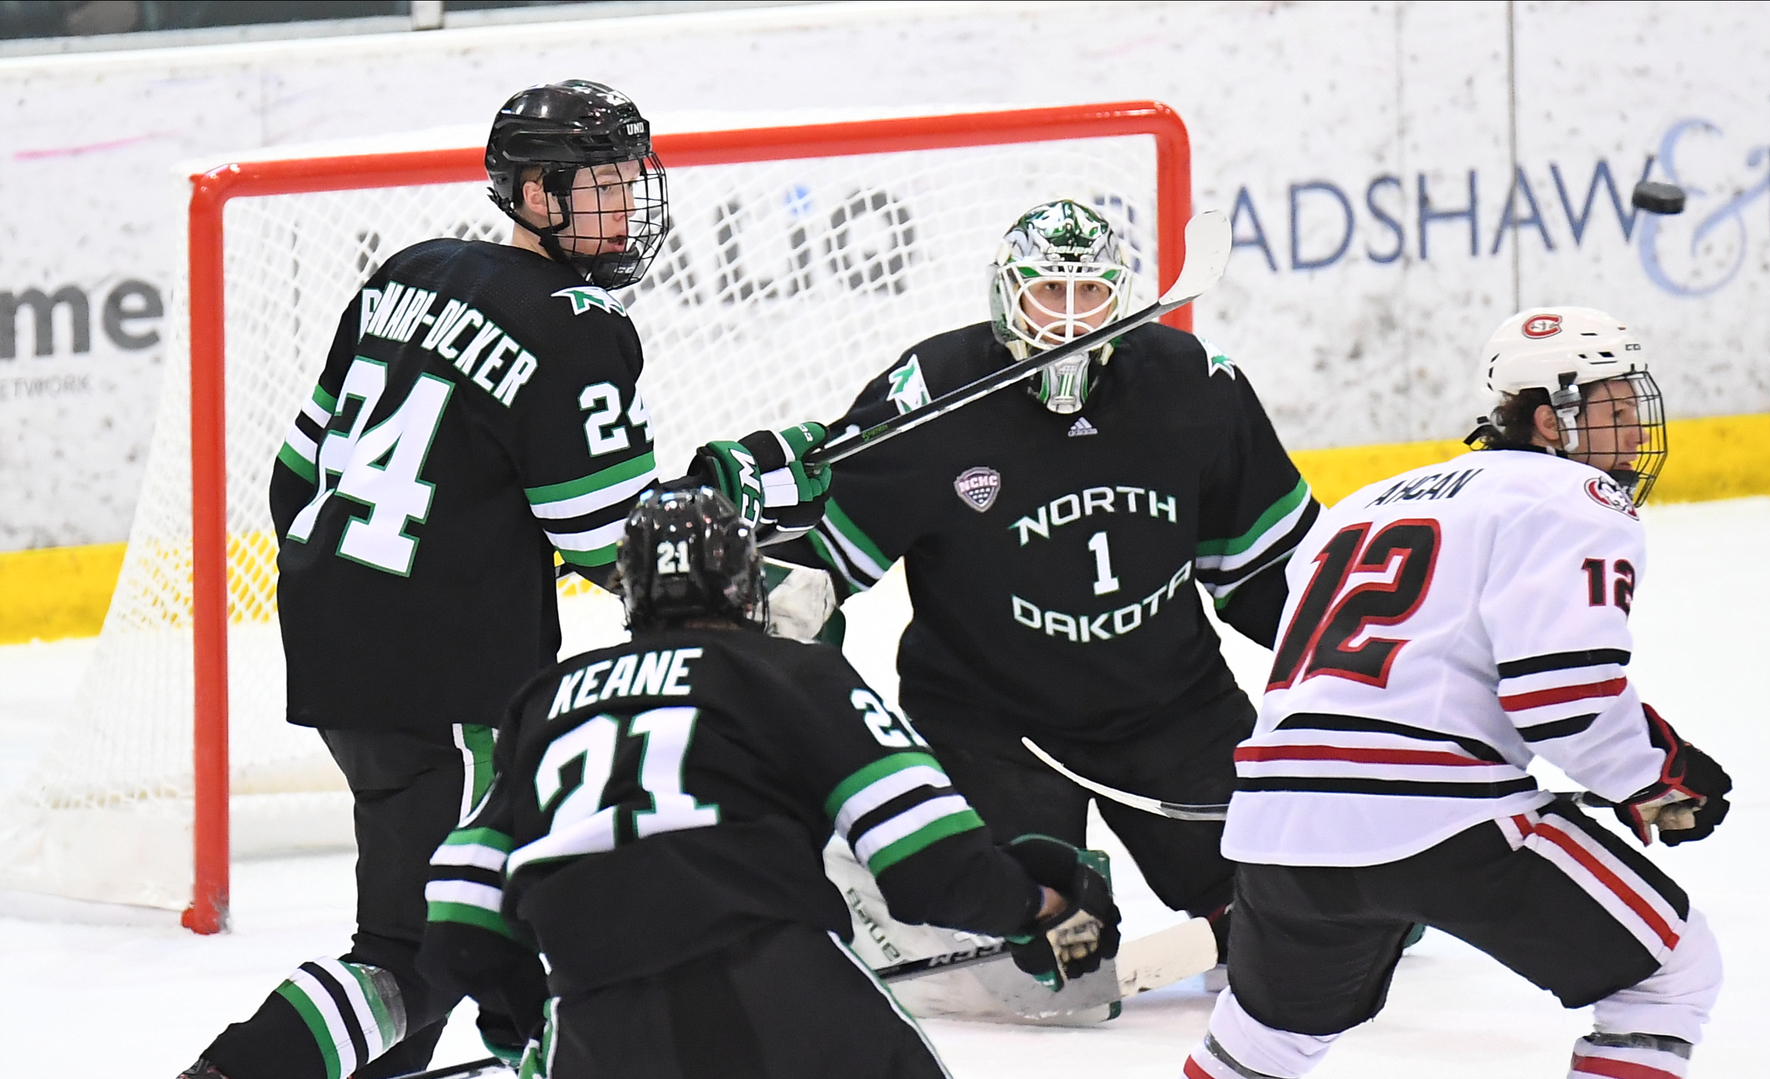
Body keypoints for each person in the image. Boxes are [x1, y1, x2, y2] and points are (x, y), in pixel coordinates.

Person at [179, 81, 825, 1079]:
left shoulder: (406, 273)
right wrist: (736, 488)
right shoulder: (572, 324)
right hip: (451, 682)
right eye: (601, 186)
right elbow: (608, 535)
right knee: (424, 948)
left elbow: (295, 473)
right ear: (532, 193)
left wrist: (360, 596)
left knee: (445, 921)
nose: (626, 209)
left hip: (339, 649)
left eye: (627, 184)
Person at [1185, 307, 1732, 1079]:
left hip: (1278, 825)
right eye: (1614, 409)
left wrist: (1639, 758)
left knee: (1260, 1043)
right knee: (1669, 975)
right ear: (1550, 420)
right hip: (1439, 817)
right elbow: (1561, 695)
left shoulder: (1361, 504)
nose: (1635, 432)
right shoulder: (1570, 496)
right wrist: (1652, 771)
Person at [415, 483, 1121, 1078]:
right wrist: (1036, 903)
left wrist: (530, 1030)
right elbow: (928, 865)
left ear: (628, 591)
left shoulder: (544, 702)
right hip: (777, 990)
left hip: (597, 1021)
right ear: (746, 580)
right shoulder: (791, 673)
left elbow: (459, 924)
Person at [785, 199, 1319, 957]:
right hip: (995, 725)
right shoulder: (929, 394)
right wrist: (809, 714)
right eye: (1048, 293)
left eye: (1090, 294)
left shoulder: (1194, 385)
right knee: (1052, 946)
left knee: (1291, 920)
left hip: (1171, 709)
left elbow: (1270, 570)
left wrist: (1355, 683)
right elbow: (818, 566)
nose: (1069, 320)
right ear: (1009, 293)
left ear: (1122, 295)